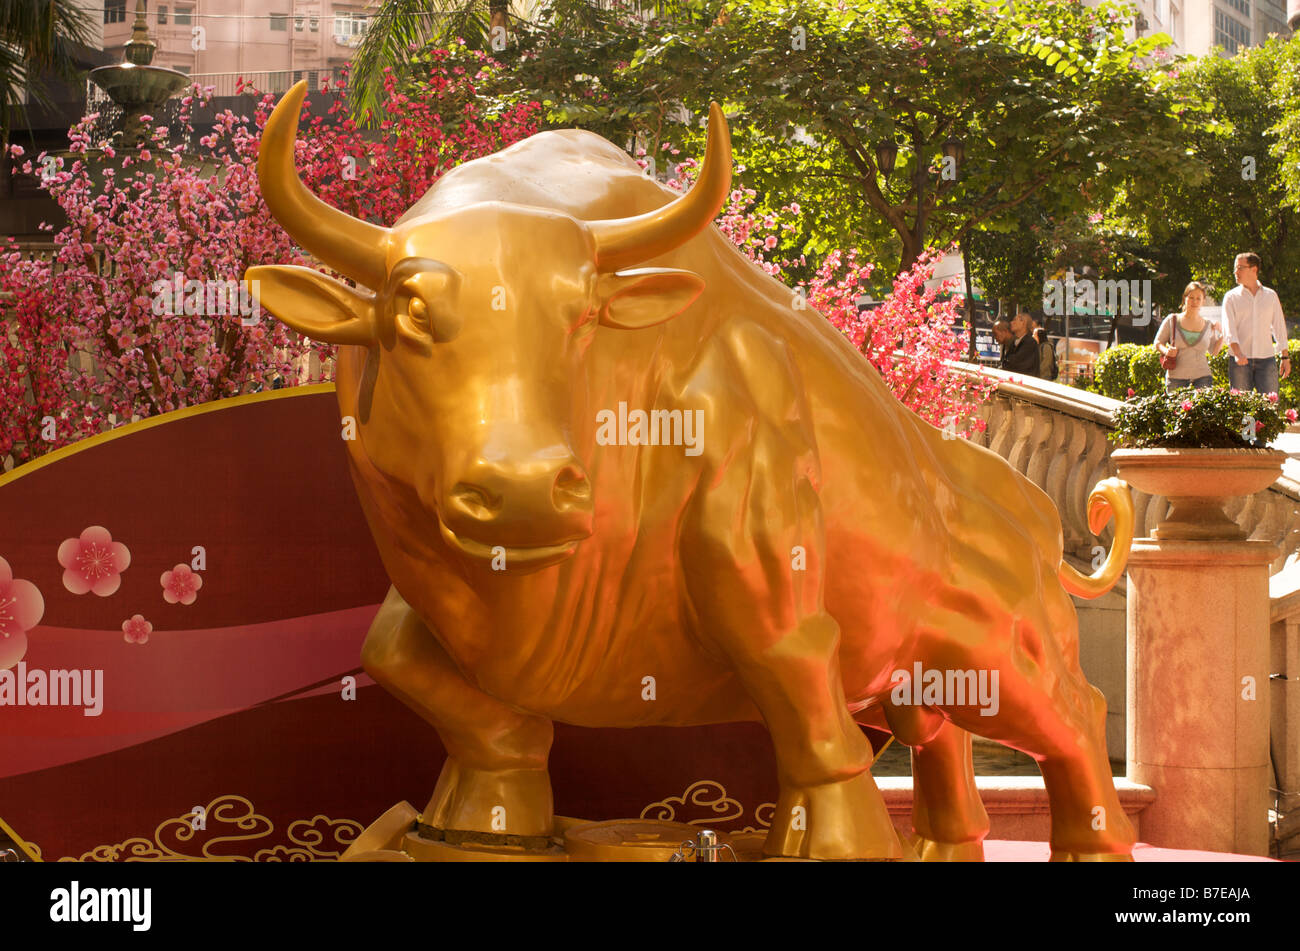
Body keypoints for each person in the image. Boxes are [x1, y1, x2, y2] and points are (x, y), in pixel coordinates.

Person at [1223, 252, 1289, 394]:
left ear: (1254, 269)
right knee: (1242, 408)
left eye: (1240, 267)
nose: (1235, 272)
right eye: (1235, 268)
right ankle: (1247, 419)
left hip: (1266, 361)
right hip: (1239, 362)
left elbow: (1279, 327)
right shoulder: (1231, 297)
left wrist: (1285, 356)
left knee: (1270, 407)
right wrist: (1238, 353)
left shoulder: (1270, 296)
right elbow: (1229, 330)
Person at [1155, 281, 1223, 392]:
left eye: (1198, 298)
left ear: (1203, 301)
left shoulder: (1208, 324)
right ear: (1185, 298)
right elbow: (1157, 343)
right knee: (1176, 409)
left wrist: (1223, 334)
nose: (1194, 301)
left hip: (1203, 378)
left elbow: (1214, 352)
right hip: (1176, 378)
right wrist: (1167, 351)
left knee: (1202, 409)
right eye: (1191, 297)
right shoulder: (1172, 320)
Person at [1001, 312, 1041, 377]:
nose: (1011, 323)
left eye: (1015, 320)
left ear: (1023, 323)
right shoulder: (1015, 342)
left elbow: (1015, 364)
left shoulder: (1030, 342)